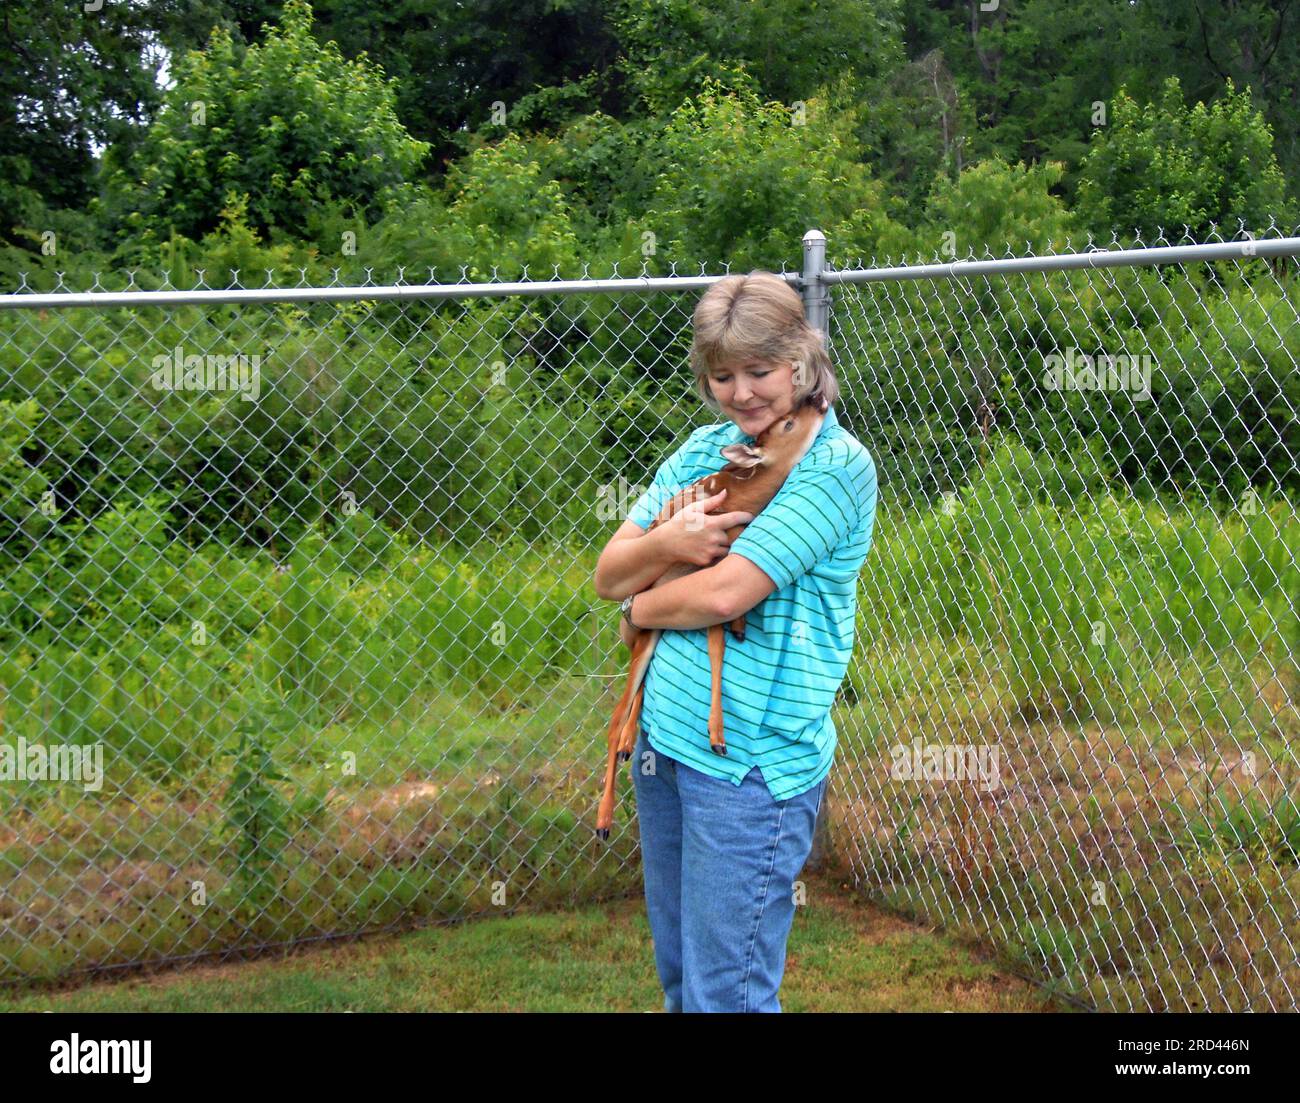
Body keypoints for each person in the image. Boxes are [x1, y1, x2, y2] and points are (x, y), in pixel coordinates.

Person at [592, 270, 878, 1012]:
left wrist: (640, 610)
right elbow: (606, 571)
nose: (743, 394)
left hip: (751, 766)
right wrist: (675, 539)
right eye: (723, 376)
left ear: (801, 360)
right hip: (664, 745)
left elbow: (726, 591)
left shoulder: (835, 468)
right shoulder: (703, 451)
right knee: (686, 980)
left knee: (731, 993)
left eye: (760, 370)